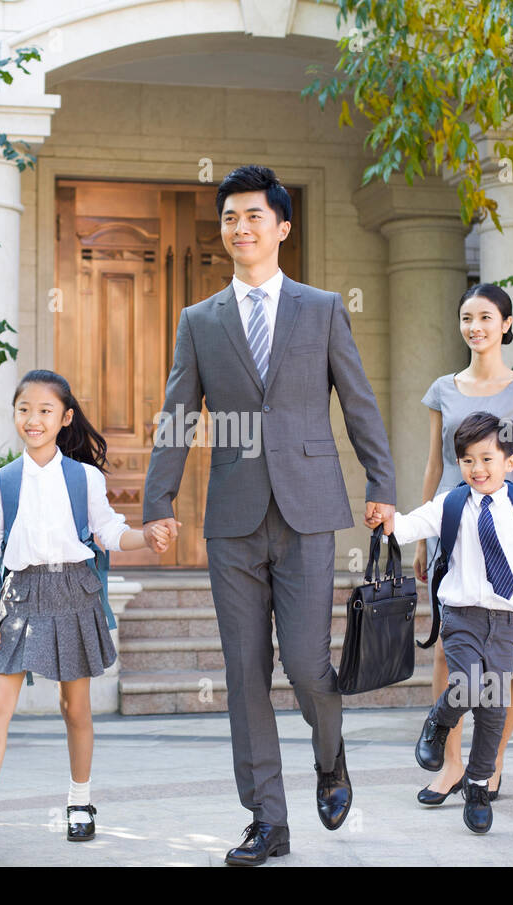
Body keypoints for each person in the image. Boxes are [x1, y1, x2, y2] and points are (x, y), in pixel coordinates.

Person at [143, 164, 396, 866]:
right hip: (233, 516)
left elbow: (360, 400)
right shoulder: (199, 322)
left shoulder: (320, 309)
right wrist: (157, 501)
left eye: (253, 216)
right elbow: (176, 414)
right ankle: (267, 820)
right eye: (229, 218)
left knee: (310, 666)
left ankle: (330, 754)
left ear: (282, 227)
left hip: (311, 508)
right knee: (246, 670)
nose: (240, 228)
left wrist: (383, 483)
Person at [0, 369, 173, 847]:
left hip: (73, 593)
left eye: (45, 411)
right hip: (21, 597)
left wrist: (144, 537)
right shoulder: (0, 481)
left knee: (75, 708)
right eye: (24, 409)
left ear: (65, 418)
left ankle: (80, 801)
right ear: (15, 415)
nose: (33, 419)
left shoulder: (83, 477)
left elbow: (108, 532)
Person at [377, 411, 513, 833]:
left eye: (487, 459)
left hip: (505, 622)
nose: (477, 469)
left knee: (494, 708)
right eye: (468, 460)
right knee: (470, 685)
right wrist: (387, 523)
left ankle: (477, 784)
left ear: (510, 462)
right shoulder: (452, 503)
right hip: (461, 617)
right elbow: (408, 526)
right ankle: (439, 722)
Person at [412, 283, 513, 805]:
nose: (476, 326)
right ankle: (450, 766)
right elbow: (434, 466)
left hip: (508, 536)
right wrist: (424, 535)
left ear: (506, 324)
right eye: (467, 317)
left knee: (503, 662)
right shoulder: (442, 389)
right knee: (448, 659)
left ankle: (489, 765)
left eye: (486, 317)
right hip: (452, 532)